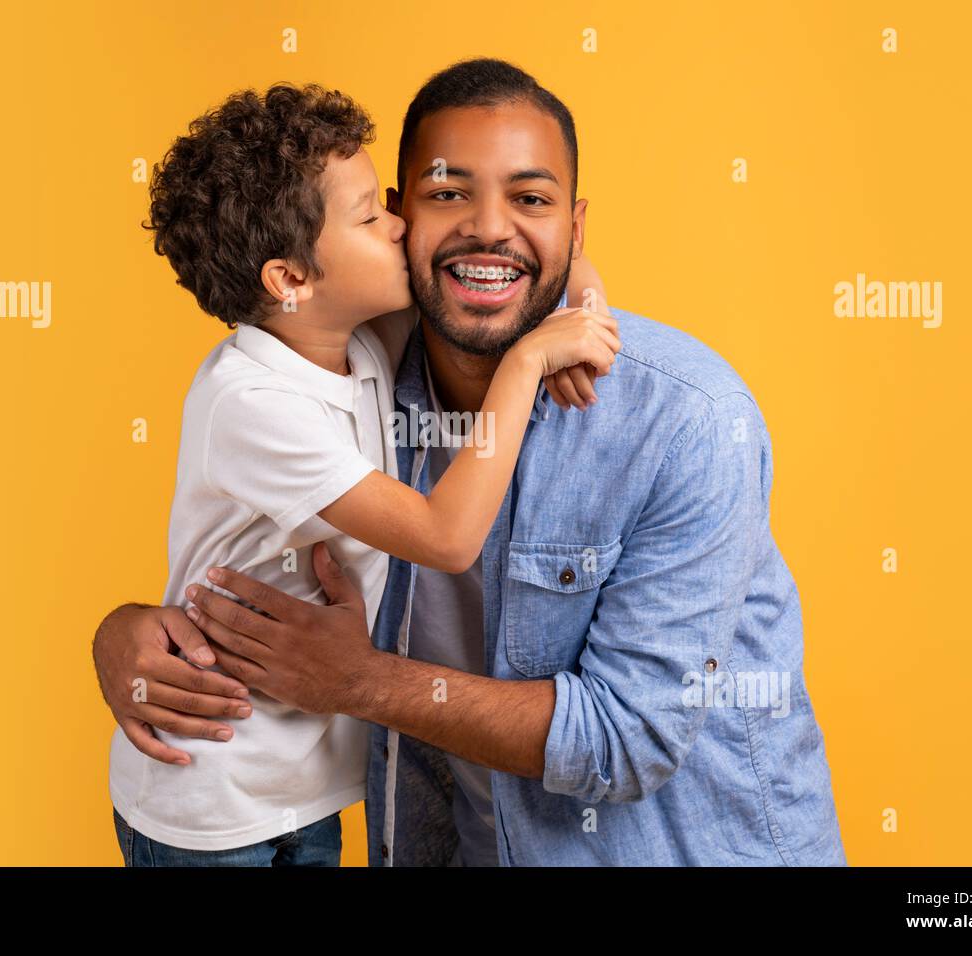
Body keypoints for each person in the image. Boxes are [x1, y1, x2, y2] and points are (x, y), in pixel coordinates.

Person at [95, 58, 846, 866]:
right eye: (448, 193)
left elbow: (626, 740)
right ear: (398, 219)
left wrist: (356, 680)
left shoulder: (690, 421)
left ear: (576, 228)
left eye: (531, 200)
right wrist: (124, 636)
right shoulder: (360, 360)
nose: (489, 227)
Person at [107, 80, 619, 866]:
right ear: (290, 280)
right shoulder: (250, 401)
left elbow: (526, 258)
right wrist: (529, 359)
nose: (402, 225)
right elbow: (446, 537)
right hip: (210, 790)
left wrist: (579, 301)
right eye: (370, 216)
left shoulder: (356, 338)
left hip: (303, 787)